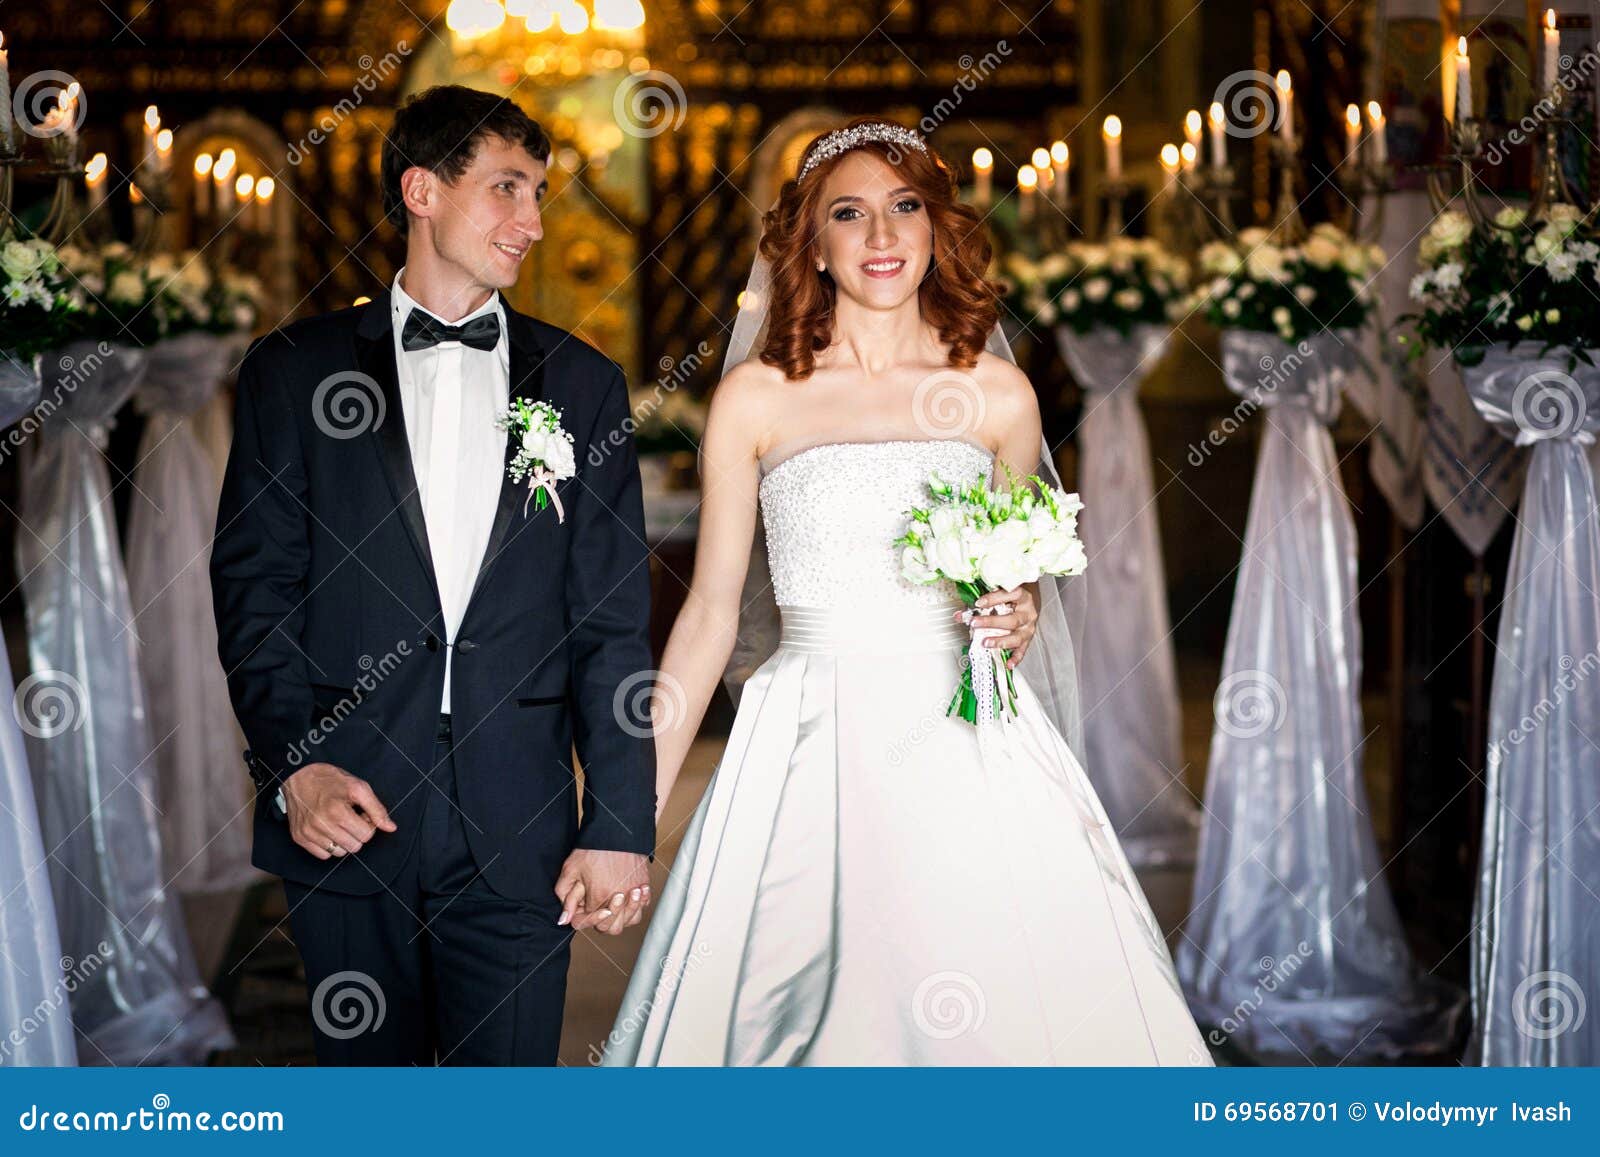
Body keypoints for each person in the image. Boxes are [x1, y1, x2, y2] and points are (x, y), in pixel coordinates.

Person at [602, 119, 1212, 1066]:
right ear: (811, 241)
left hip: (970, 738)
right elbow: (710, 614)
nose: (881, 236)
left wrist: (1019, 611)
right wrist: (624, 814)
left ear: (935, 229)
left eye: (904, 208)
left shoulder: (1001, 394)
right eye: (850, 213)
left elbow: (1013, 582)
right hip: (804, 736)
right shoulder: (757, 399)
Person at [212, 85, 656, 1065]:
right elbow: (255, 593)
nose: (533, 221)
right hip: (348, 804)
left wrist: (620, 819)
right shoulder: (293, 370)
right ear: (421, 189)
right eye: (506, 188)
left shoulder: (581, 385)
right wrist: (296, 763)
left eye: (538, 193)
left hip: (522, 816)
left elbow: (613, 624)